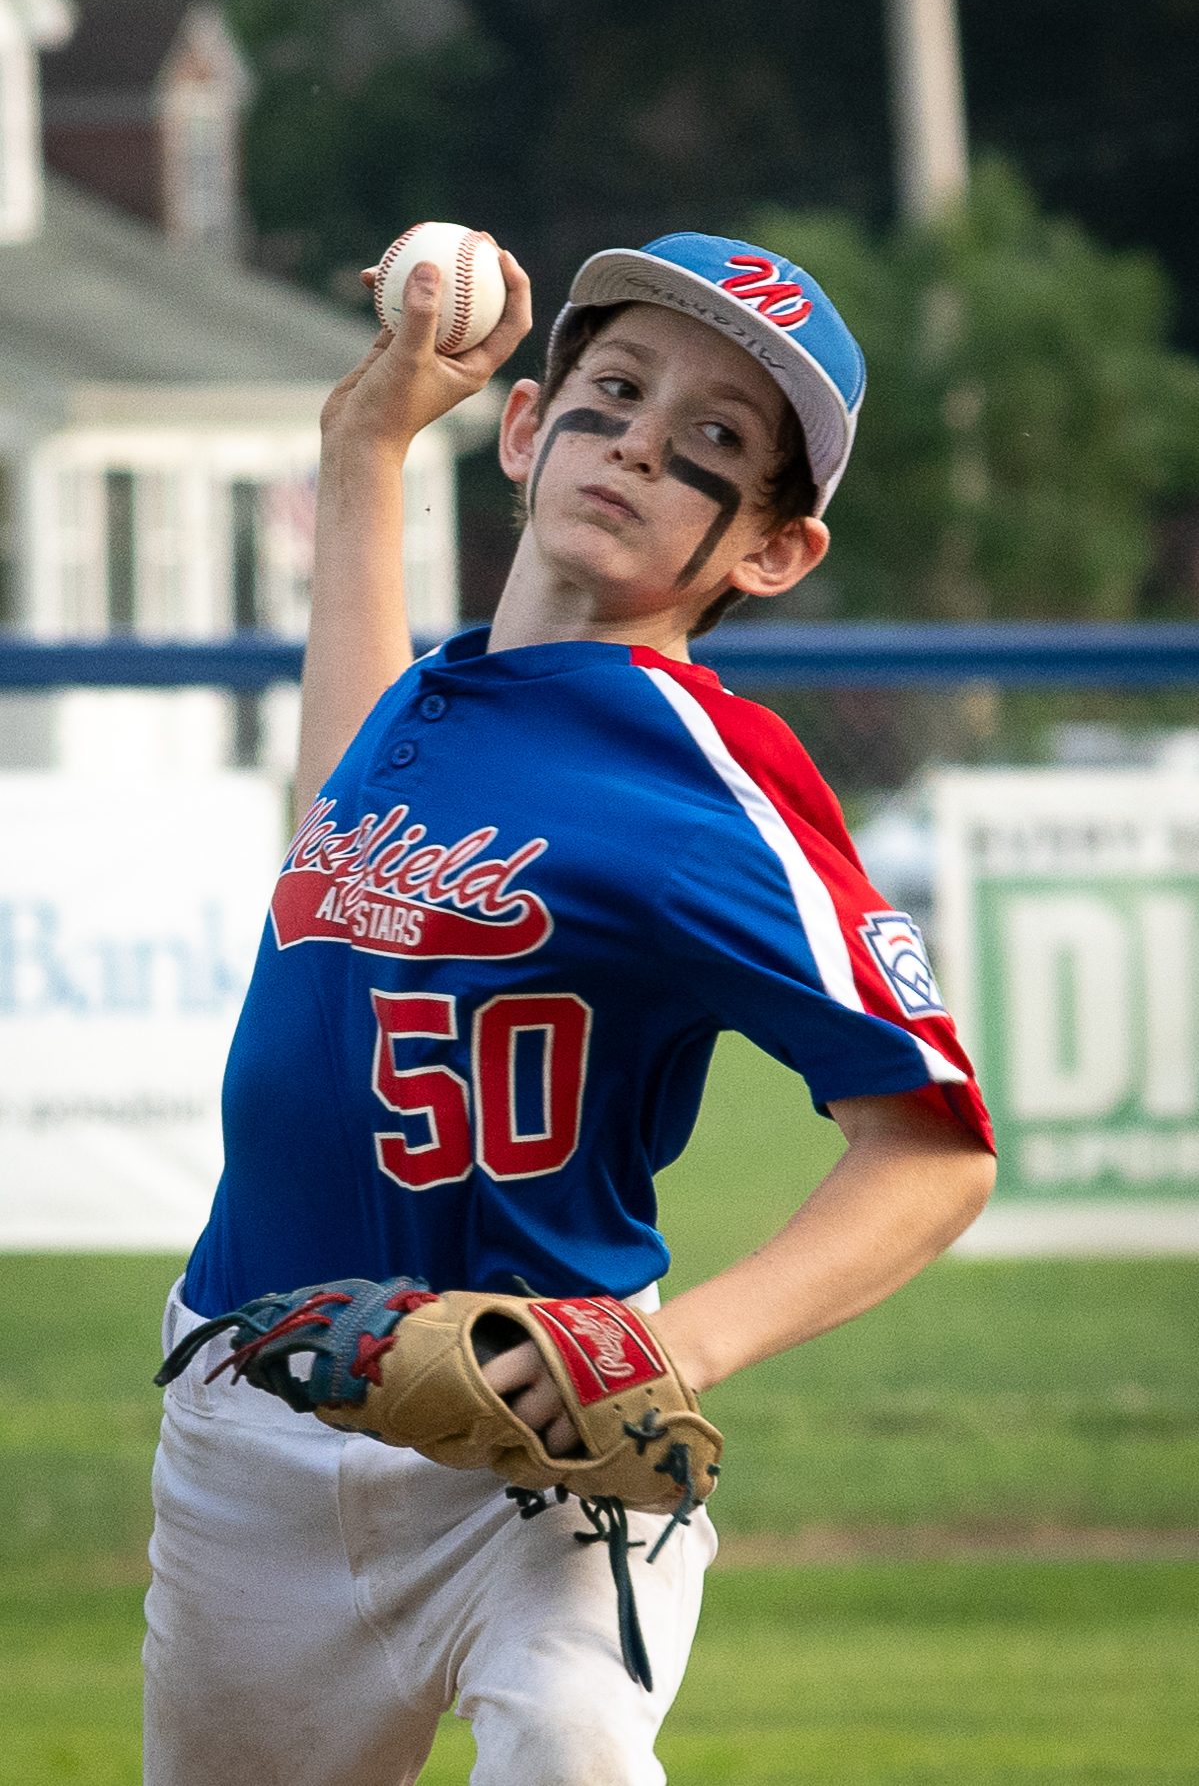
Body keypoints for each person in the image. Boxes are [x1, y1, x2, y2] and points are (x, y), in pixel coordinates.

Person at [145, 232, 996, 1786]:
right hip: (249, 1398)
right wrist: (366, 447)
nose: (642, 442)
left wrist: (662, 1351)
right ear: (527, 428)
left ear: (771, 550)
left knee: (575, 1751)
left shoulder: (707, 784)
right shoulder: (432, 704)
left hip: (535, 1438)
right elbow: (335, 807)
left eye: (715, 442)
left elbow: (933, 1151)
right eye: (614, 390)